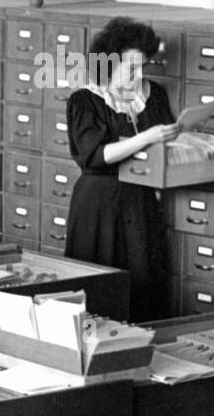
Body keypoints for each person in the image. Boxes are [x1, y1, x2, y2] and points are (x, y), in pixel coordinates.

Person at [65, 16, 181, 321]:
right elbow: (94, 155)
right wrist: (145, 137)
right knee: (98, 286)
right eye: (131, 68)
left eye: (143, 66)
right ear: (107, 65)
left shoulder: (152, 93)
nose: (138, 75)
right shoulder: (85, 100)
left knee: (142, 281)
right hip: (99, 204)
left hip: (140, 200)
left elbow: (164, 140)